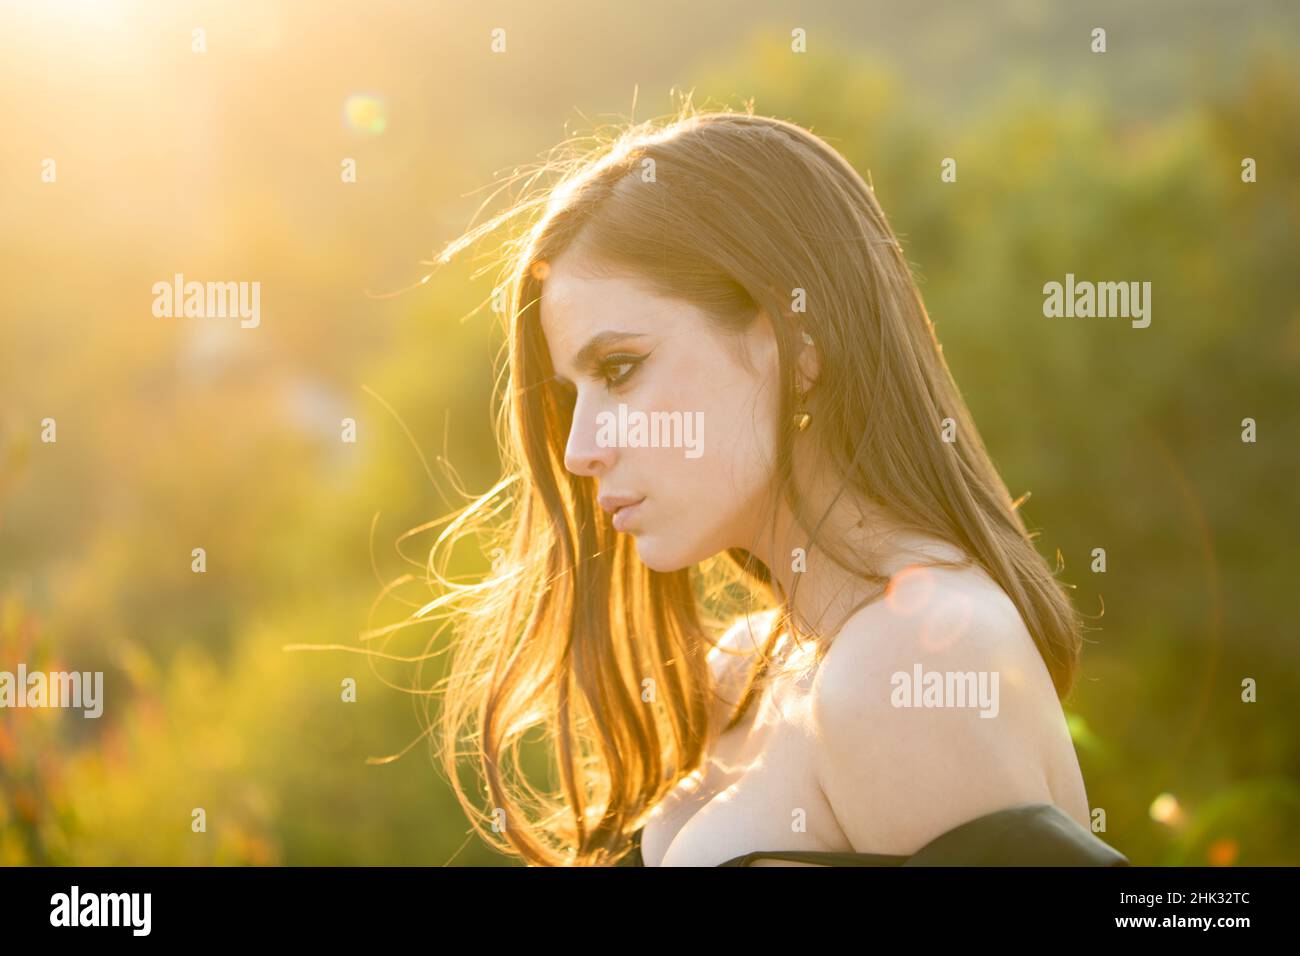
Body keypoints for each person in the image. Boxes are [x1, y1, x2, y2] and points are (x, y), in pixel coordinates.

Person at [418, 102, 1127, 867]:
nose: (580, 449)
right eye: (571, 397)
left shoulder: (912, 663)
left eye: (620, 370)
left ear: (798, 340)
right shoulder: (748, 666)